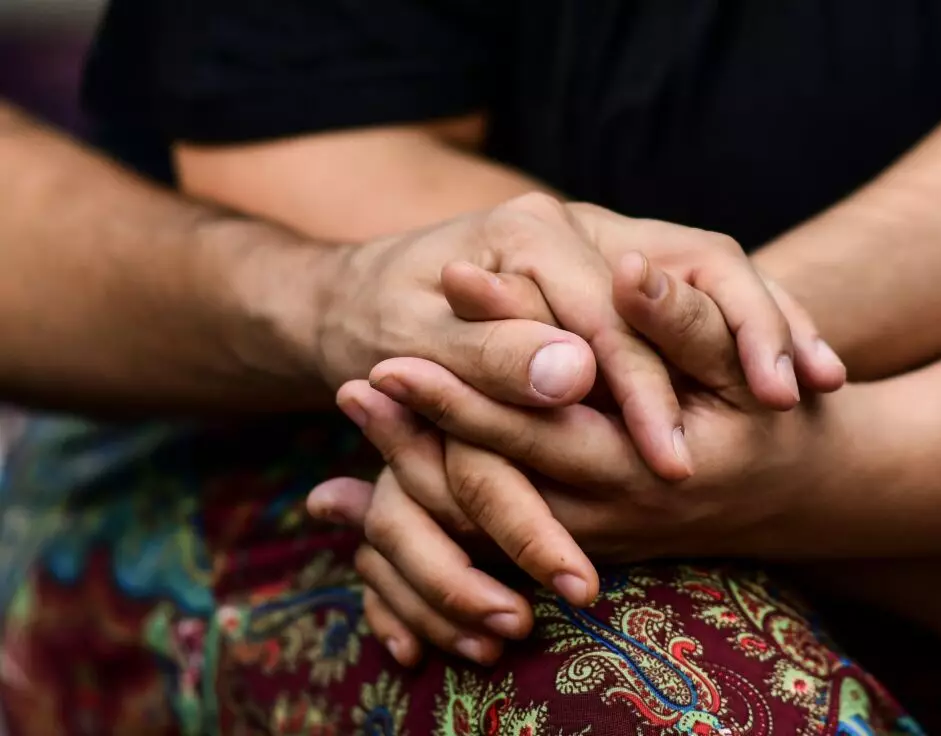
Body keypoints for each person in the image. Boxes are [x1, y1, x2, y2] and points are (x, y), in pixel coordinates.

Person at [0, 101, 846, 733]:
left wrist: (843, 491)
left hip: (878, 419)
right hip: (259, 402)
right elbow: (292, 135)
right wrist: (358, 312)